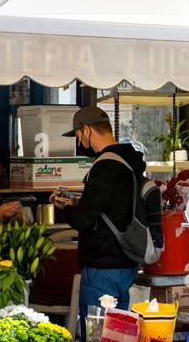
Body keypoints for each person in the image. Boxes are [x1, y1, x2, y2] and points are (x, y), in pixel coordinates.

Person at [50, 106, 152, 322]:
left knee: (97, 339)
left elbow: (83, 220)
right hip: (126, 263)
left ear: (87, 130)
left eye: (78, 136)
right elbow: (112, 206)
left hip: (102, 267)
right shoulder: (129, 161)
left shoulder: (105, 166)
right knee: (117, 335)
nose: (79, 143)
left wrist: (65, 207)